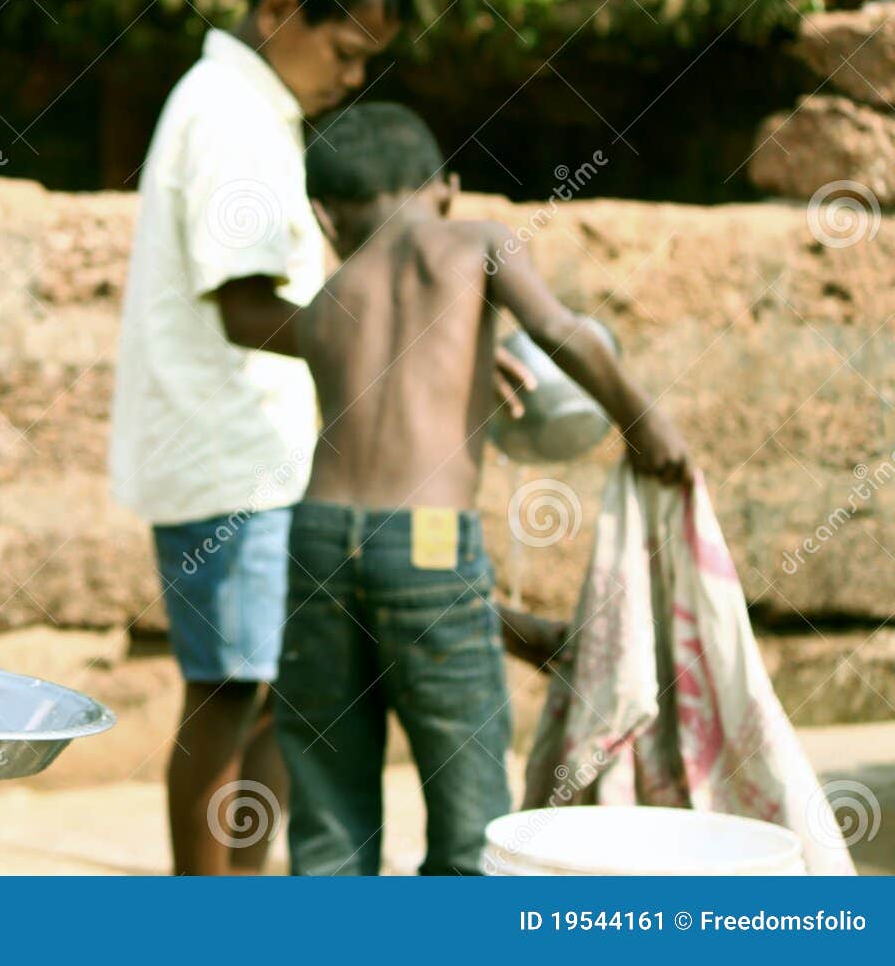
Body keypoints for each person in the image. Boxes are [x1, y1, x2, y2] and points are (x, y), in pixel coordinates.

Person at [275, 102, 692, 876]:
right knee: (470, 802)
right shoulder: (477, 240)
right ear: (446, 187)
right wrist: (644, 423)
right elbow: (566, 332)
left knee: (327, 809)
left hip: (317, 539)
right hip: (429, 538)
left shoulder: (325, 301)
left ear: (327, 216)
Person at [109, 0, 420, 876]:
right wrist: (387, 340)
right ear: (280, 7)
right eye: (345, 50)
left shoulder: (257, 111)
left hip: (259, 460)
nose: (354, 78)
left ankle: (242, 886)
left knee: (280, 687)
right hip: (230, 462)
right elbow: (245, 306)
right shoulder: (231, 117)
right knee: (231, 689)